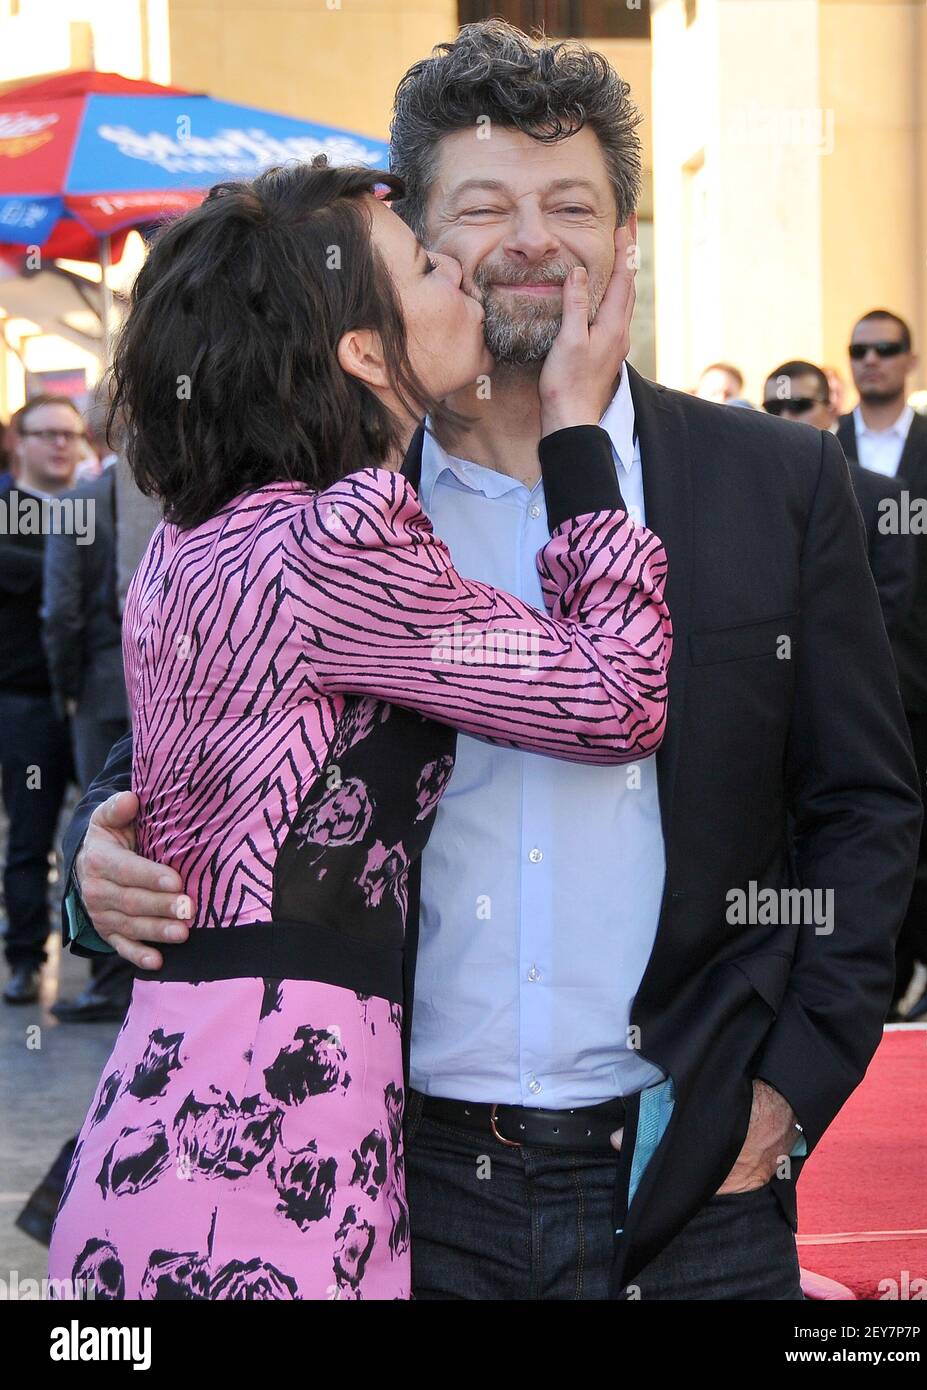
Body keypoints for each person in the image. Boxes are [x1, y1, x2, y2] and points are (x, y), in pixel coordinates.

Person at [61, 20, 921, 1301]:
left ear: (626, 237)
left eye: (570, 203)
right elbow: (173, 775)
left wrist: (789, 1085)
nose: (532, 238)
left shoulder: (778, 480)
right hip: (387, 1174)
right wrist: (96, 862)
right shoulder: (322, 499)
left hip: (690, 1172)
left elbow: (864, 804)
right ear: (409, 251)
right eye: (481, 208)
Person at [47, 157, 672, 1301]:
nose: (470, 274)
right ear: (365, 354)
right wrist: (578, 436)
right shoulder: (345, 537)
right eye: (430, 265)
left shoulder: (197, 536)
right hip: (273, 1137)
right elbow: (614, 694)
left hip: (165, 1110)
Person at [837, 310, 927, 1018]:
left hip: (923, 674)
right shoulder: (830, 445)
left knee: (920, 828)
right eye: (860, 350)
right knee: (865, 831)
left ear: (908, 360)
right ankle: (905, 967)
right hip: (848, 679)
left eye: (886, 349)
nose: (872, 361)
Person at [43, 460, 133, 1023]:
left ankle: (107, 980)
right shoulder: (191, 483)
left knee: (98, 823)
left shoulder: (82, 501)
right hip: (175, 685)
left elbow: (62, 612)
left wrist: (66, 689)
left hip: (101, 686)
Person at [0, 395, 83, 1004]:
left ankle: (112, 971)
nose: (60, 444)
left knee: (105, 833)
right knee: (29, 837)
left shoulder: (95, 507)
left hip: (93, 701)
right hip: (25, 701)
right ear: (19, 442)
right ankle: (26, 960)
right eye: (47, 433)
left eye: (70, 435)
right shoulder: (6, 510)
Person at [763, 360, 915, 633]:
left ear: (830, 409)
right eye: (773, 408)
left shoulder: (882, 494)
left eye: (799, 406)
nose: (785, 416)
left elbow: (889, 601)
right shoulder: (745, 490)